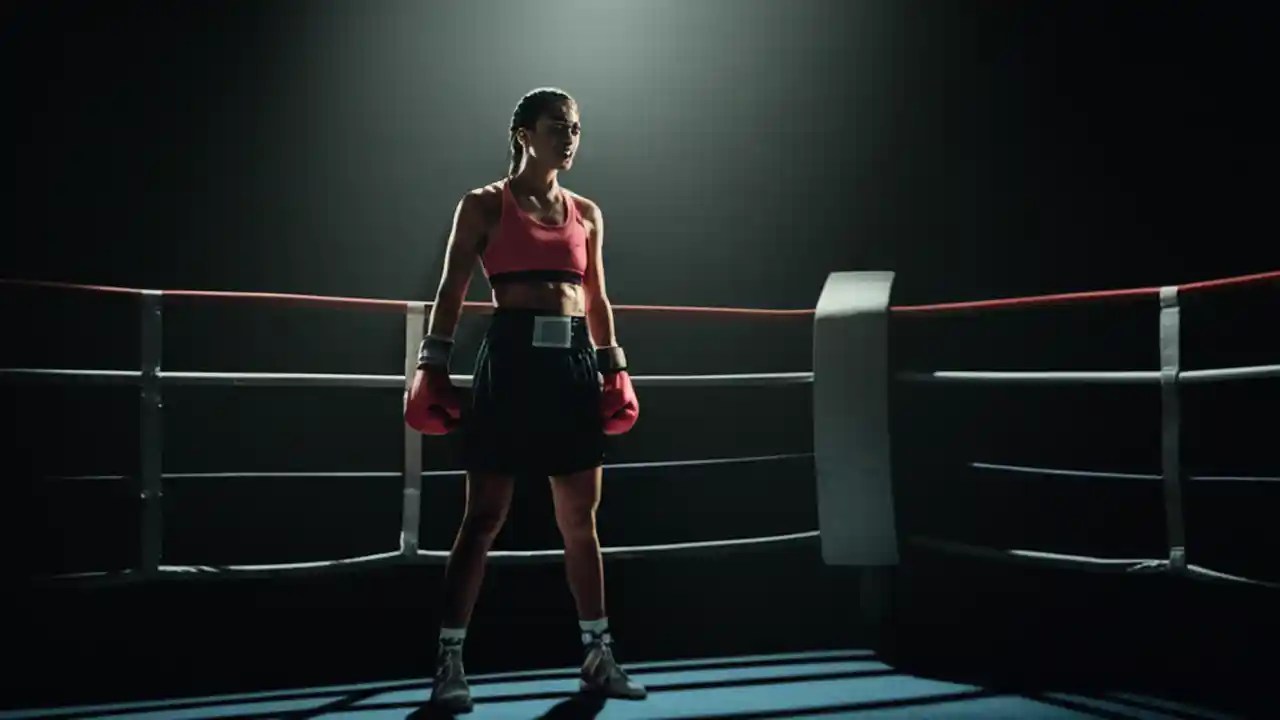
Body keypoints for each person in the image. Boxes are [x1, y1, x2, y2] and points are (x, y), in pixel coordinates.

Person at [404, 87, 645, 714]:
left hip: (570, 364)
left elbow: (597, 298)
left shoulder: (587, 212)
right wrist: (432, 364)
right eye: (558, 125)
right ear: (524, 133)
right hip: (509, 360)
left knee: (580, 519)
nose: (570, 136)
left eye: (577, 127)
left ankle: (598, 654)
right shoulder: (483, 204)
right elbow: (452, 285)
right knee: (483, 516)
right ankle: (448, 662)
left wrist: (613, 366)